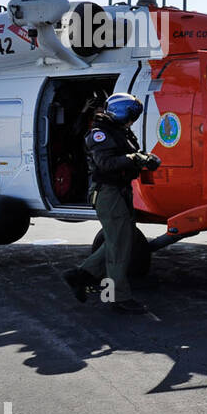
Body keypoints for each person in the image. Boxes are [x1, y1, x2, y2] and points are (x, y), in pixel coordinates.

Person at [63, 93, 160, 315]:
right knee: (119, 247)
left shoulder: (118, 131)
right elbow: (106, 163)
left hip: (120, 190)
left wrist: (145, 158)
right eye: (131, 115)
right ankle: (118, 297)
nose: (132, 120)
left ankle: (80, 276)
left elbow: (126, 155)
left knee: (120, 239)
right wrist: (135, 159)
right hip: (108, 192)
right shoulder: (99, 134)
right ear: (123, 112)